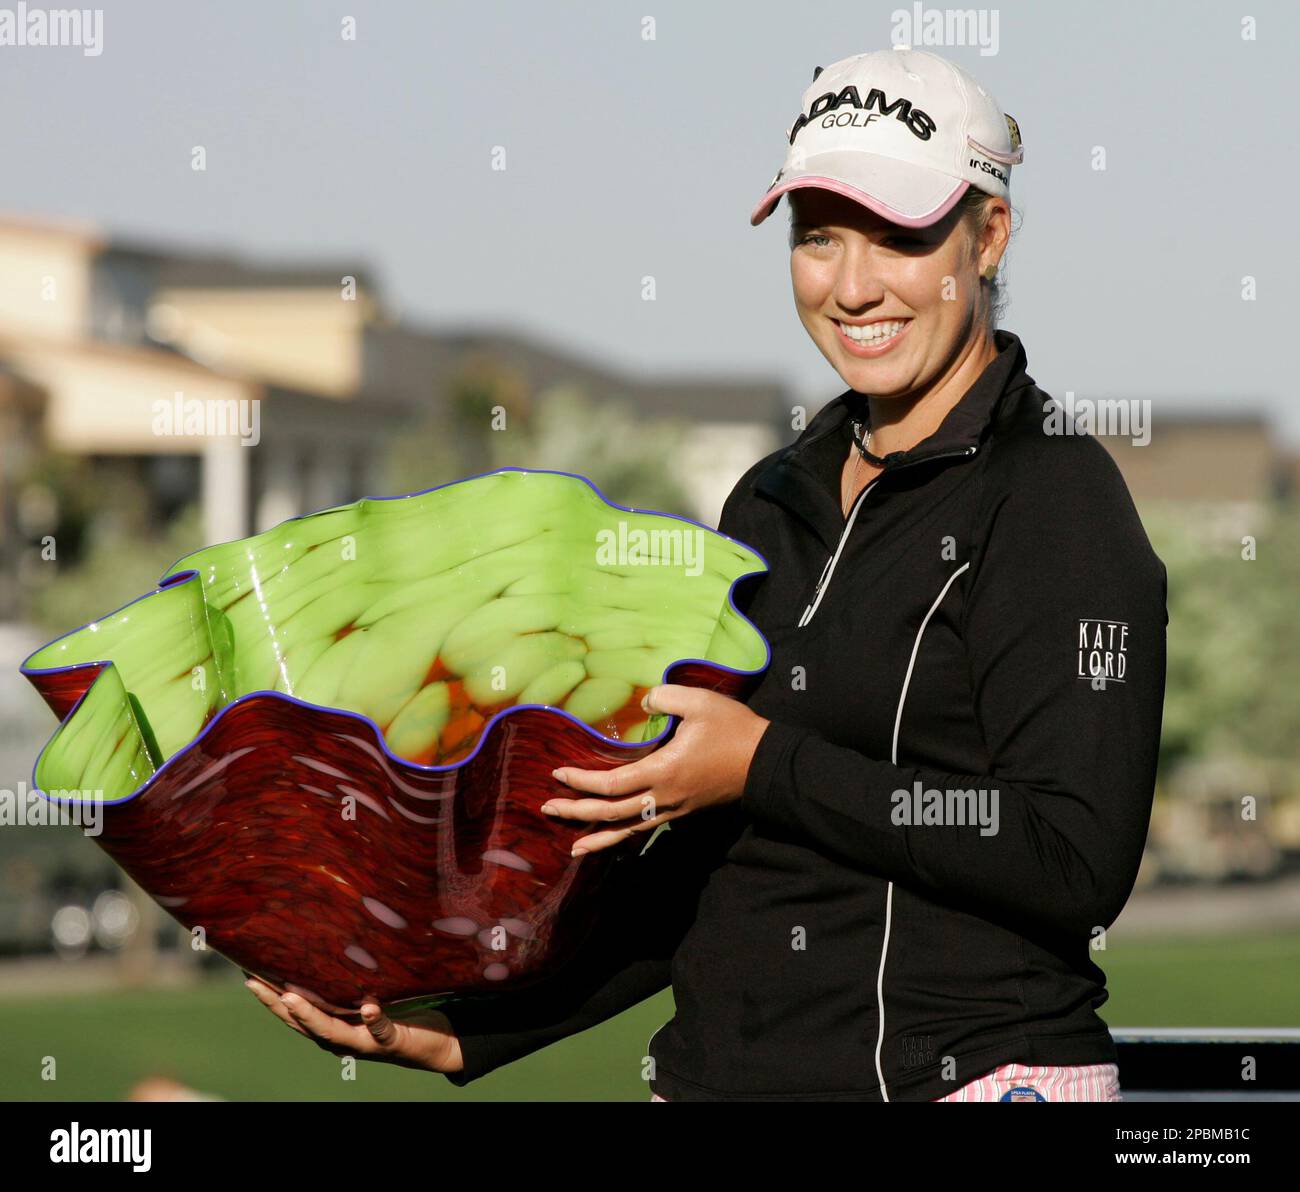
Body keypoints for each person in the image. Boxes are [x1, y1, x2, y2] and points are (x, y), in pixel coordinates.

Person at [246, 46, 1168, 1102]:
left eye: (900, 236)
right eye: (817, 236)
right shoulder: (767, 499)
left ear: (989, 233)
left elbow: (1073, 855)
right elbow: (703, 866)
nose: (851, 283)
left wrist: (765, 763)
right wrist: (464, 1033)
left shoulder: (1055, 497)